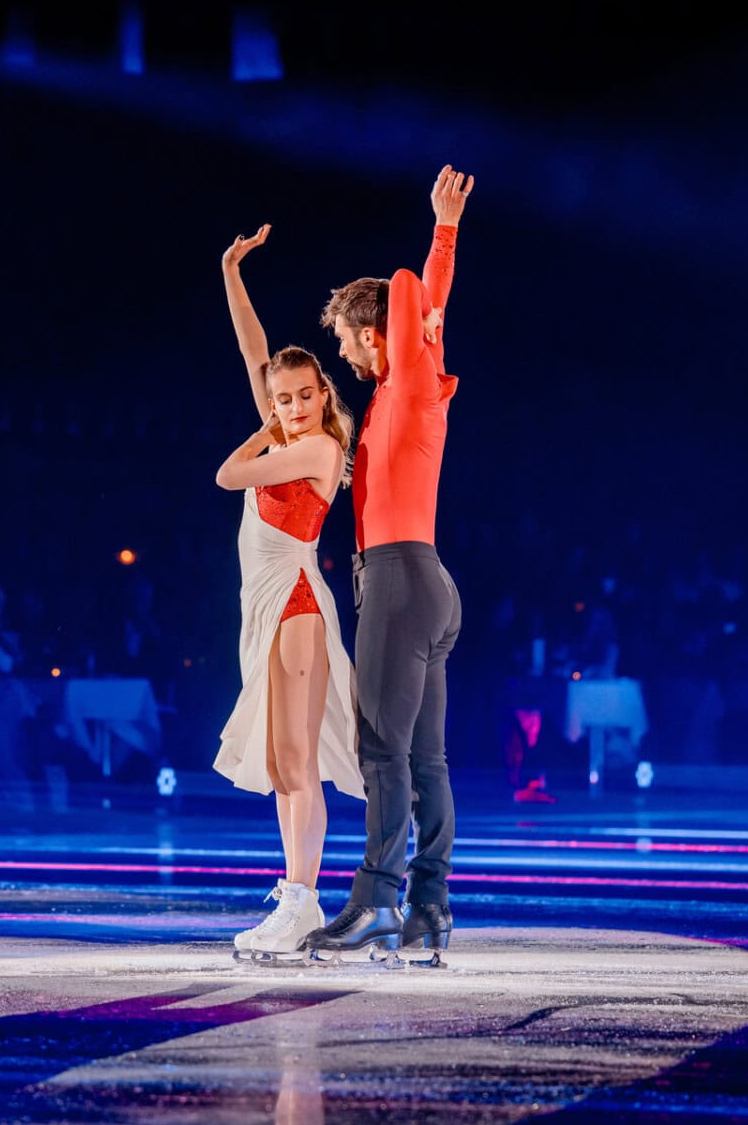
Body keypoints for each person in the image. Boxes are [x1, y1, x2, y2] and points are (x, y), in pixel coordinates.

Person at [307, 165, 472, 962]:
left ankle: (377, 897)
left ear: (377, 335)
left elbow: (413, 289)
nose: (342, 352)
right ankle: (430, 906)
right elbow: (430, 309)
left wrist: (438, 231)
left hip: (402, 582)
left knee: (382, 748)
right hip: (430, 582)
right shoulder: (405, 391)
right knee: (424, 756)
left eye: (345, 338)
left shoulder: (406, 381)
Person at [211, 222, 364, 958]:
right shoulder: (283, 431)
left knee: (297, 761)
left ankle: (303, 899)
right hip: (268, 606)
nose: (293, 405)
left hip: (298, 606)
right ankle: (294, 894)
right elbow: (251, 347)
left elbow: (228, 476)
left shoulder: (317, 447)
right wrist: (231, 270)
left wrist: (264, 426)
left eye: (303, 394)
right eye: (285, 397)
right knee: (280, 764)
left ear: (319, 395)